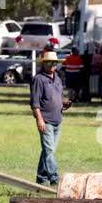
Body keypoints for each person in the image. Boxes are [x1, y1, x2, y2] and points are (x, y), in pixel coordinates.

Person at [30, 51, 67, 187]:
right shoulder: (38, 79)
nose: (53, 65)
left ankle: (41, 177)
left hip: (58, 120)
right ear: (44, 64)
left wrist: (64, 103)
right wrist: (39, 119)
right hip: (46, 121)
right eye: (50, 62)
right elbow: (35, 103)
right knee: (49, 150)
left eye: (55, 63)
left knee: (48, 150)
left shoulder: (57, 78)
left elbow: (57, 97)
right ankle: (54, 178)